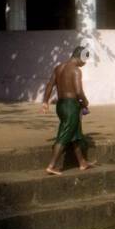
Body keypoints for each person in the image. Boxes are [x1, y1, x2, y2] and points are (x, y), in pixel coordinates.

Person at [42, 46, 93, 175]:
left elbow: (50, 84)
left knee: (74, 133)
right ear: (79, 57)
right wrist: (85, 102)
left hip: (61, 105)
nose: (85, 63)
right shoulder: (76, 70)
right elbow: (78, 91)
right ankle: (51, 165)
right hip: (71, 106)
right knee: (65, 135)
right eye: (84, 60)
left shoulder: (59, 68)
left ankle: (82, 162)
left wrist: (45, 101)